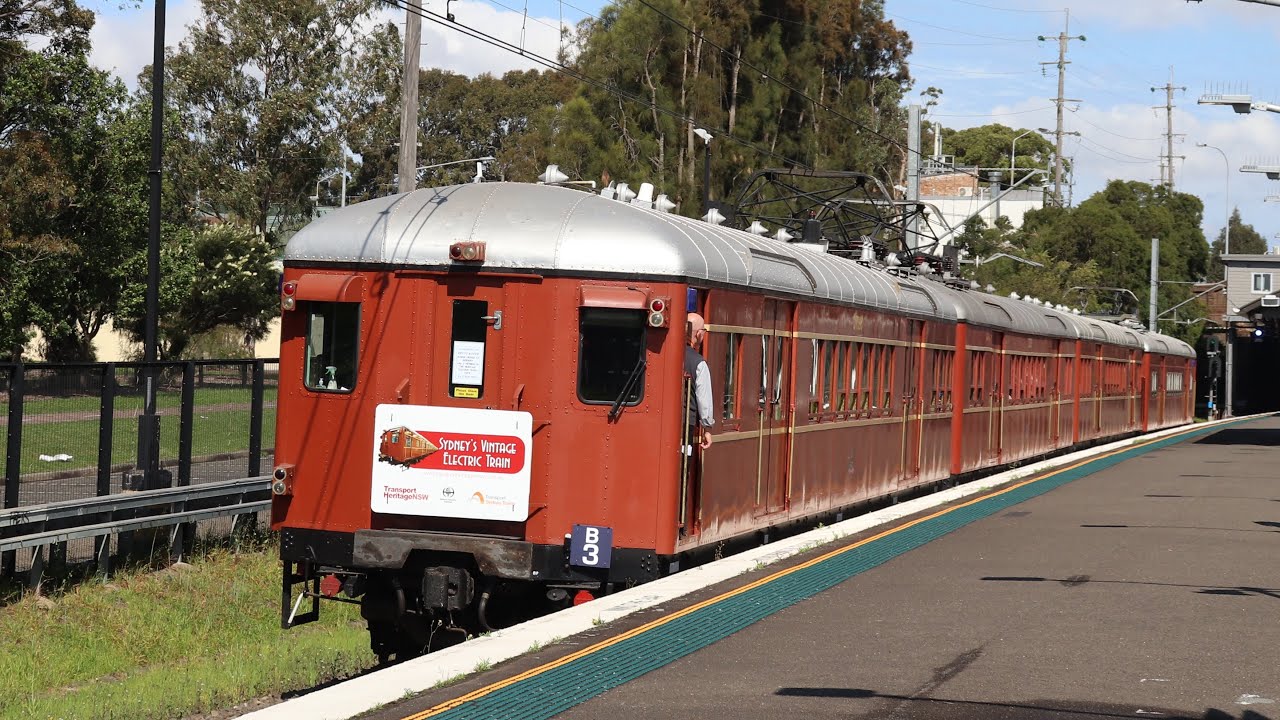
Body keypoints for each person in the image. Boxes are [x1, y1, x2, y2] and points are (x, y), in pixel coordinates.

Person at [685, 313, 715, 450]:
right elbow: (704, 399)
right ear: (698, 334)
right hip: (686, 425)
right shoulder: (699, 363)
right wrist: (707, 428)